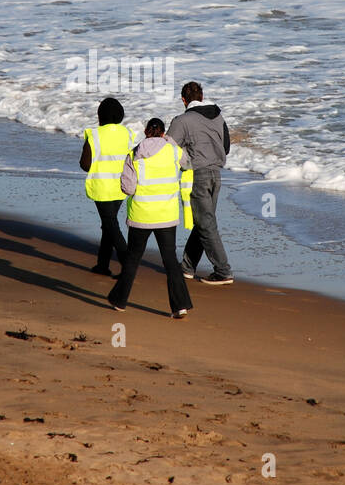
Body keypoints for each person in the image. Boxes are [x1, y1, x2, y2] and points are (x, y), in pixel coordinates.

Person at [107, 119, 195, 319]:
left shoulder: (134, 154)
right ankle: (180, 305)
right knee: (170, 261)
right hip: (166, 215)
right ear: (163, 134)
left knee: (133, 258)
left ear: (145, 132)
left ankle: (120, 300)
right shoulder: (174, 151)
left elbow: (128, 188)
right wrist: (172, 143)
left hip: (141, 214)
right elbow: (188, 163)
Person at [167, 81, 233, 284]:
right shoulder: (218, 116)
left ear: (184, 100)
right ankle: (187, 267)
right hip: (216, 175)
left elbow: (167, 150)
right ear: (202, 97)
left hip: (197, 175)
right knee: (204, 222)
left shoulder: (182, 120)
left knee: (205, 224)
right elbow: (226, 147)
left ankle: (223, 271)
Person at [79, 97, 137, 277]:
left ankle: (127, 262)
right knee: (108, 224)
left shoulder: (94, 134)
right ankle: (102, 265)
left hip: (102, 187)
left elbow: (85, 164)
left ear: (100, 116)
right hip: (121, 187)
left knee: (110, 224)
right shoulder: (127, 133)